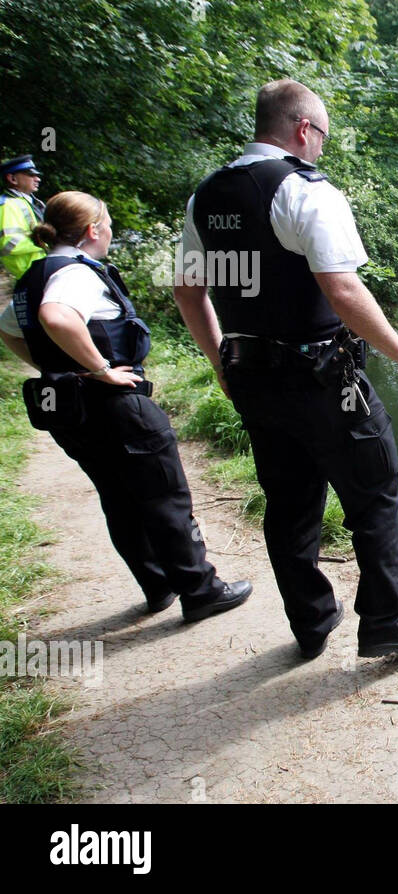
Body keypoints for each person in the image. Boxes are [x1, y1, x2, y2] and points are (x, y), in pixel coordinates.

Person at [173, 78, 398, 661]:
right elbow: (342, 289)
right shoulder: (304, 190)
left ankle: (311, 622)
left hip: (252, 377)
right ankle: (385, 620)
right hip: (322, 377)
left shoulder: (205, 197)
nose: (321, 146)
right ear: (302, 129)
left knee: (289, 499)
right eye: (321, 134)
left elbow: (187, 292)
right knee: (373, 487)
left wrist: (221, 358)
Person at [0, 191, 252, 619]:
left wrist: (53, 366)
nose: (112, 230)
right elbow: (57, 317)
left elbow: (8, 328)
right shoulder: (74, 273)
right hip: (115, 403)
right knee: (165, 497)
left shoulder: (33, 275)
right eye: (109, 222)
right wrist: (100, 369)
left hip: (70, 410)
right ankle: (201, 591)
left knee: (117, 498)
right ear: (92, 230)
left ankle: (157, 587)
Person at [0, 155, 47, 302]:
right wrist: (44, 241)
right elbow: (8, 245)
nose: (37, 179)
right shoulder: (7, 205)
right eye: (31, 175)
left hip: (39, 272)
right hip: (32, 275)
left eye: (37, 175)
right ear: (12, 179)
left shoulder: (30, 202)